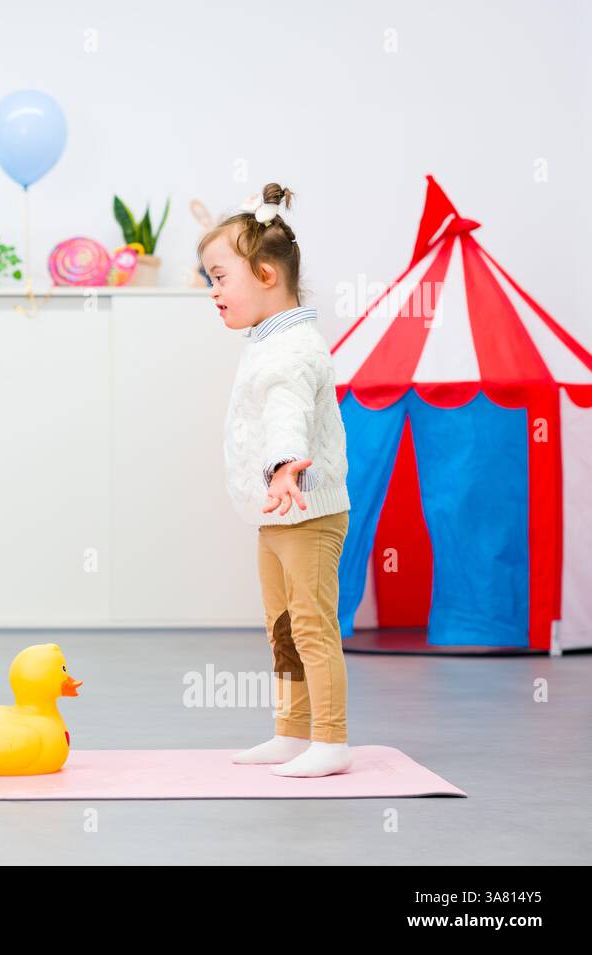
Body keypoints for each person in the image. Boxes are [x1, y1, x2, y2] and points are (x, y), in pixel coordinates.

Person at [198, 183, 353, 777]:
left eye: (219, 277)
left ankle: (331, 741)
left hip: (306, 510)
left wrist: (287, 466)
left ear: (265, 275)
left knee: (312, 624)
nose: (213, 291)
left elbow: (289, 409)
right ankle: (292, 731)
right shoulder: (268, 341)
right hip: (278, 510)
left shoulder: (292, 348)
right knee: (283, 625)